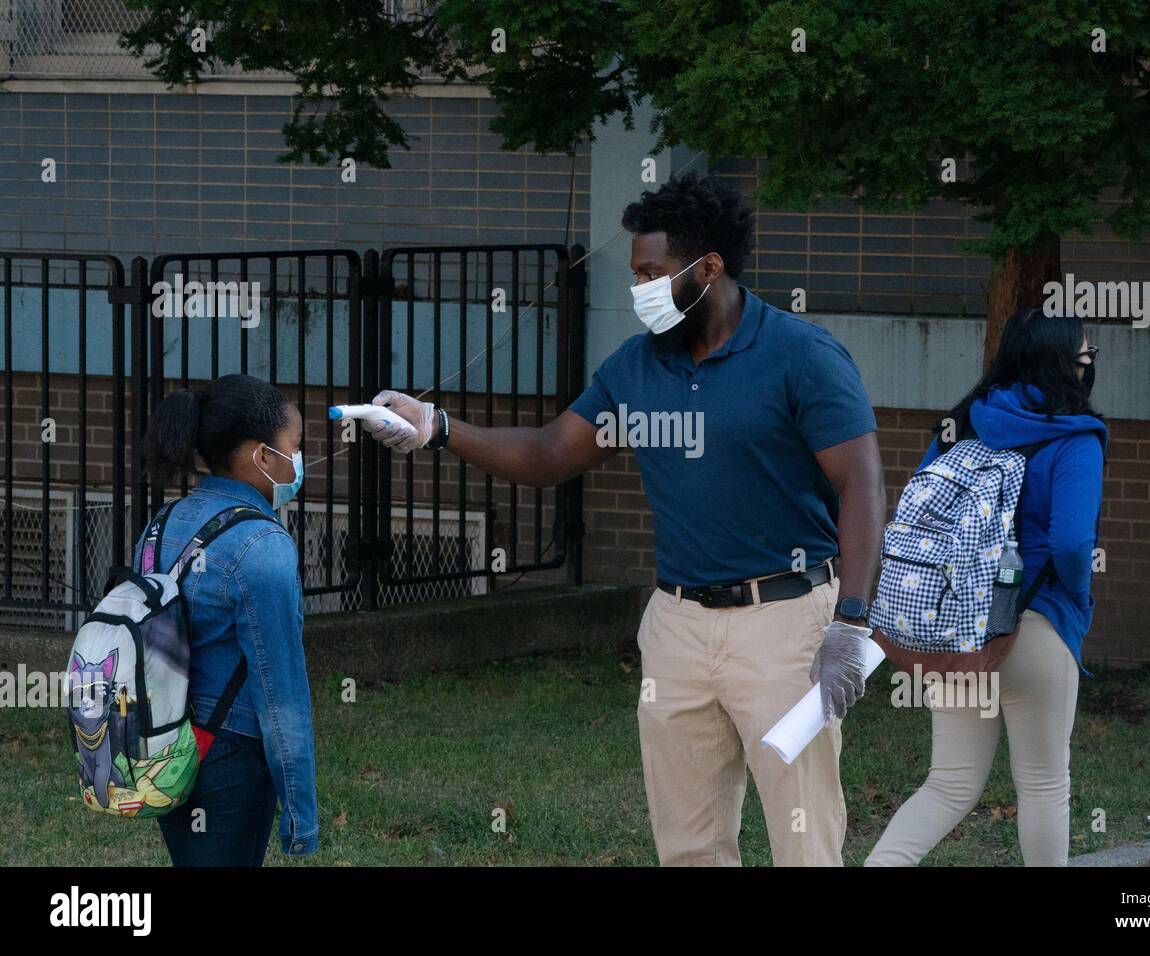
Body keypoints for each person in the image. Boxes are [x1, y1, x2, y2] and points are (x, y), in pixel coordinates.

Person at [363, 172, 887, 866]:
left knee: (803, 840)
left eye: (651, 273)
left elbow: (863, 489)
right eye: (634, 272)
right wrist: (440, 427)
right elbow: (553, 451)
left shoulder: (802, 356)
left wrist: (851, 623)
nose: (637, 288)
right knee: (689, 846)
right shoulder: (638, 367)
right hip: (677, 626)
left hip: (786, 623)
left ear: (708, 270)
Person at [863, 306, 1106, 866]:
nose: (1090, 363)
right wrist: (1072, 597)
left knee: (948, 785)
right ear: (1060, 363)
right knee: (1044, 785)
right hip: (1036, 624)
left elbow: (916, 523)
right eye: (1085, 354)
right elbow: (1072, 544)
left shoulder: (966, 422)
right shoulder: (1076, 436)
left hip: (959, 633)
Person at [136, 372, 318, 866]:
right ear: (263, 456)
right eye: (294, 446)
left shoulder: (160, 527)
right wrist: (301, 815)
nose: (299, 460)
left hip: (164, 749)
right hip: (229, 760)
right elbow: (282, 694)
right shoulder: (263, 547)